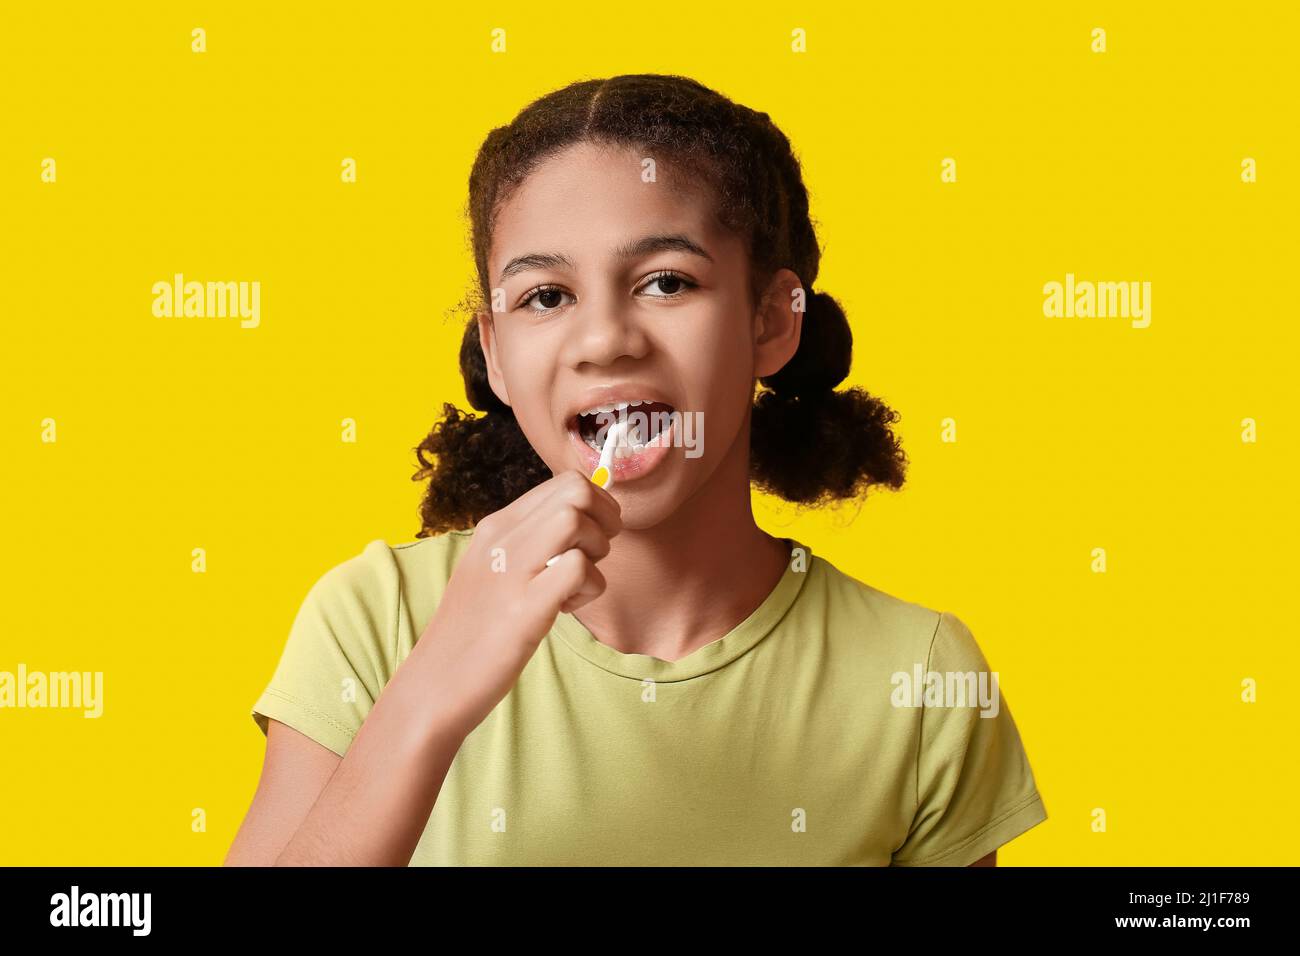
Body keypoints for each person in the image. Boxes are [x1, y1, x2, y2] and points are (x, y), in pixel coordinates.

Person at [225, 73, 1046, 866]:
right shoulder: (374, 622)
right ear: (497, 356)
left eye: (665, 282)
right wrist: (428, 696)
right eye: (546, 296)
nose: (605, 339)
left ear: (769, 321)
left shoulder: (920, 674)